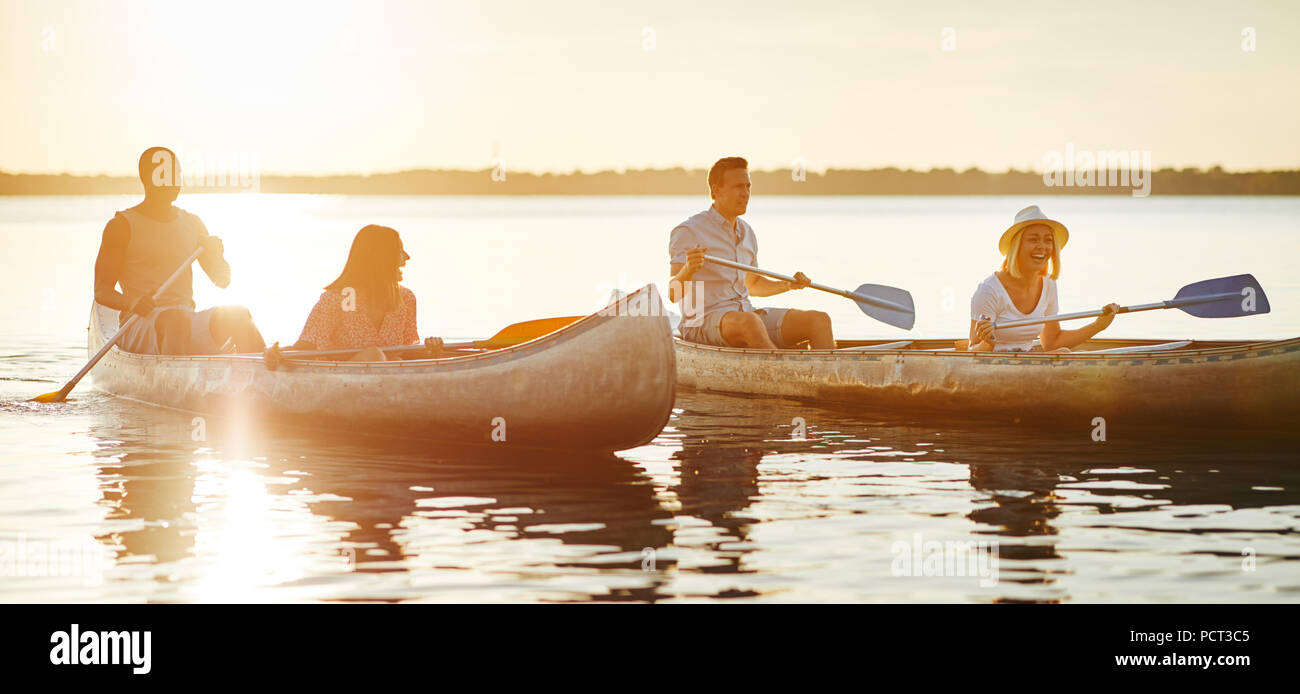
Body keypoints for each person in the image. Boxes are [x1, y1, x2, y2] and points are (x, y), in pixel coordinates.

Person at [93, 146, 265, 355]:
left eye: (176, 175)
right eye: (164, 175)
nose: (173, 182)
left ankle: (262, 378)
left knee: (239, 315)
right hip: (138, 324)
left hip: (185, 321)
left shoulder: (193, 223)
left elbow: (222, 280)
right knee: (175, 320)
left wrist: (216, 255)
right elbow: (102, 291)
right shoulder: (121, 226)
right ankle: (172, 383)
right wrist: (132, 302)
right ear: (147, 179)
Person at [668, 156, 833, 349]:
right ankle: (782, 375)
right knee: (750, 323)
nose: (745, 193)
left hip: (746, 316)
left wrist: (788, 284)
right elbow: (673, 293)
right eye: (738, 187)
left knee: (819, 320)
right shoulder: (688, 231)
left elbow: (753, 285)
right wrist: (688, 269)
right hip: (701, 323)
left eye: (748, 187)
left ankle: (829, 379)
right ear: (716, 190)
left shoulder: (747, 233)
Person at [265, 225, 443, 364]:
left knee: (394, 360)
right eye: (399, 251)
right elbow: (306, 347)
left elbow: (408, 352)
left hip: (392, 380)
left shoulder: (406, 299)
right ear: (380, 259)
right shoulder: (336, 299)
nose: (406, 257)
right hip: (342, 383)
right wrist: (276, 354)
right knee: (374, 354)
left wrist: (433, 350)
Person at [968, 205, 1119, 352]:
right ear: (1017, 246)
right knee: (1066, 354)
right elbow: (972, 351)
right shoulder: (989, 290)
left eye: (1048, 240)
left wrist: (1099, 325)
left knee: (1064, 352)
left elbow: (1052, 343)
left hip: (1030, 364)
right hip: (994, 366)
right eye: (1033, 240)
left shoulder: (1049, 284)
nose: (1042, 246)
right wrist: (987, 343)